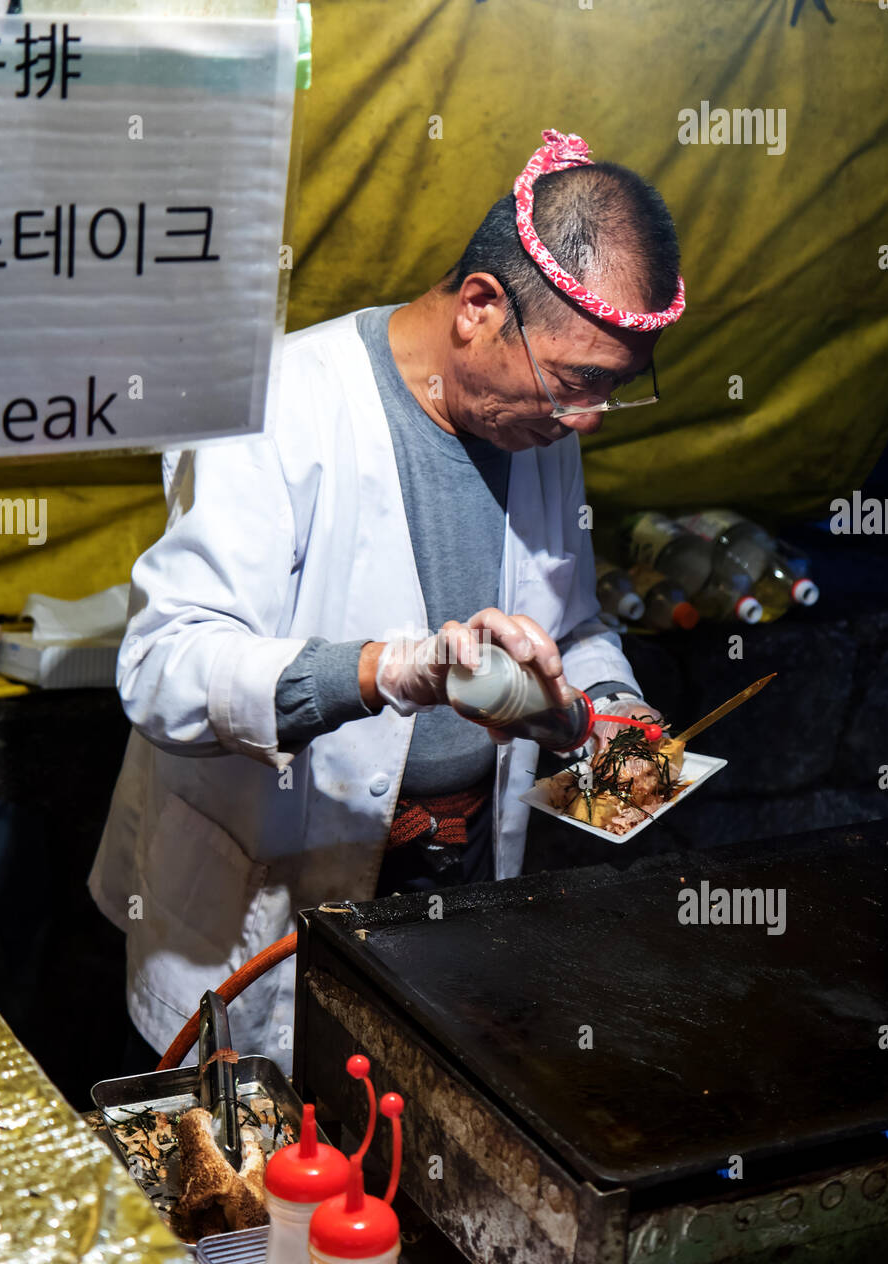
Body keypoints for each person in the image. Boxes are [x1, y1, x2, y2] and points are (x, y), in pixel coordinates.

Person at [89, 129, 686, 1067]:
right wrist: (388, 670)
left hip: (455, 889)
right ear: (480, 307)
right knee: (271, 1190)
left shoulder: (540, 426)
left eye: (610, 392)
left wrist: (605, 712)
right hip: (266, 900)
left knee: (415, 1139)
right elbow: (164, 664)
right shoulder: (277, 403)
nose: (585, 420)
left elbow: (574, 620)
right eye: (576, 385)